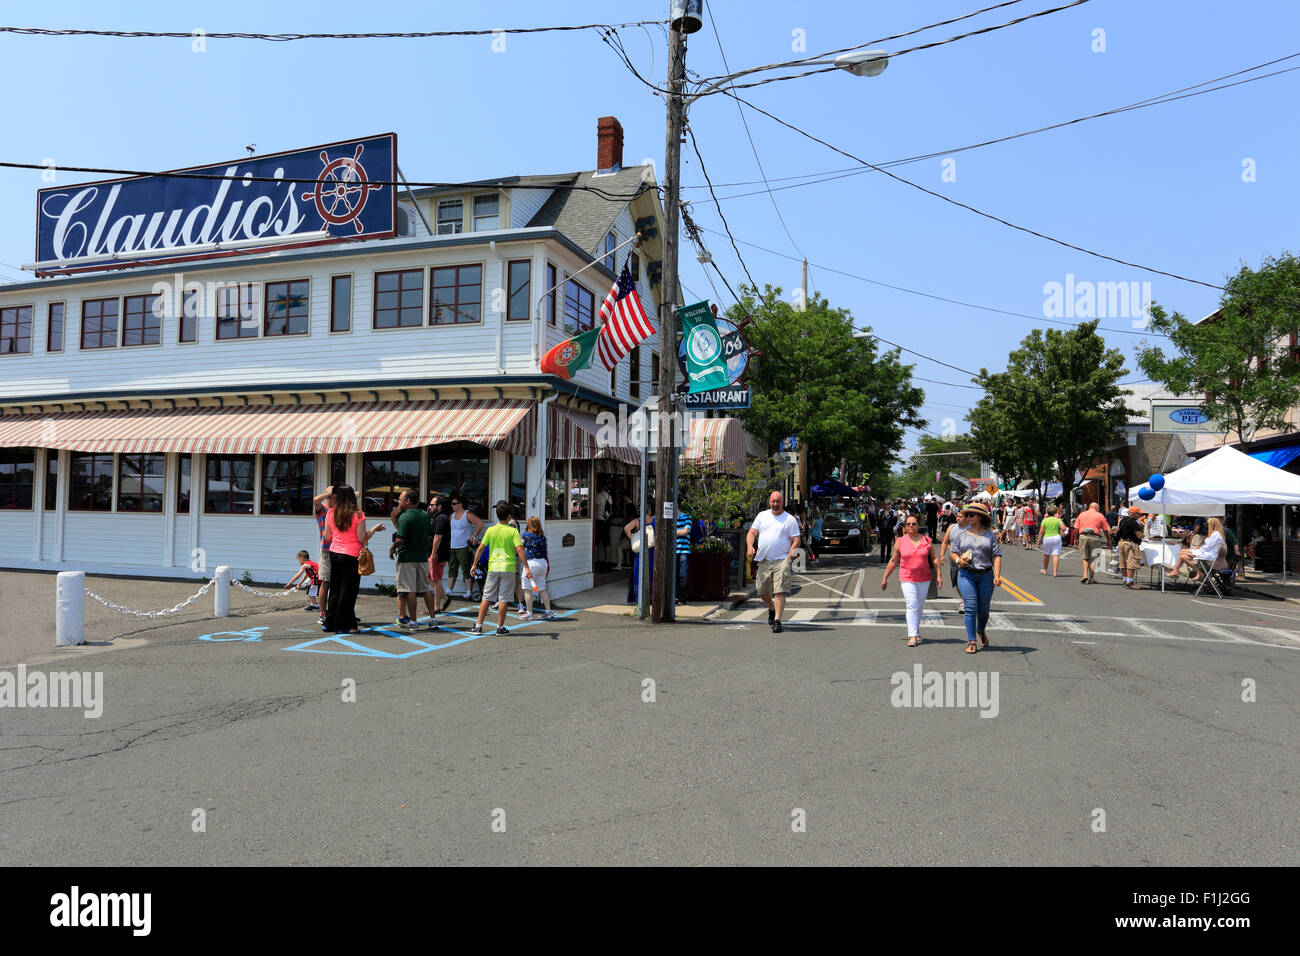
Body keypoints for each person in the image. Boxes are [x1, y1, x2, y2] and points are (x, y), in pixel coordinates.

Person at [322, 485, 384, 634]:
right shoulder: (357, 514)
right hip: (351, 554)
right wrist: (374, 529)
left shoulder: (331, 512)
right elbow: (361, 537)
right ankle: (344, 625)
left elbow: (327, 537)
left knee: (335, 589)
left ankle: (330, 623)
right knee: (348, 591)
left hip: (334, 552)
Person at [469, 502, 533, 636]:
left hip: (493, 567)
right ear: (509, 516)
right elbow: (520, 549)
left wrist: (474, 564)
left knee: (486, 597)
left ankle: (478, 626)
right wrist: (526, 567)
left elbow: (480, 548)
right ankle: (500, 627)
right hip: (508, 567)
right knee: (504, 598)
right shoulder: (513, 531)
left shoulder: (491, 530)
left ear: (497, 515)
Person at [881, 513, 942, 647]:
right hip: (907, 578)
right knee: (912, 605)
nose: (911, 526)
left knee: (919, 607)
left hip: (924, 578)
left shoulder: (926, 540)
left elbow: (934, 559)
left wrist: (938, 575)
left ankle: (916, 630)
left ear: (918, 526)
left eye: (913, 524)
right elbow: (893, 561)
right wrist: (885, 577)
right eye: (908, 524)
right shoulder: (901, 542)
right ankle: (912, 635)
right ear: (905, 526)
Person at [949, 502, 1002, 654]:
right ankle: (972, 641)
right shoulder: (962, 535)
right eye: (967, 515)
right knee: (970, 608)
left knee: (984, 610)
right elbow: (953, 552)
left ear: (980, 517)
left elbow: (997, 556)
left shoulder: (990, 536)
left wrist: (997, 576)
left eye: (971, 515)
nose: (968, 517)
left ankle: (981, 630)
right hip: (966, 574)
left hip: (986, 575)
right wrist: (959, 560)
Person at [746, 491, 802, 634]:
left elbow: (796, 540)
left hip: (782, 560)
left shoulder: (789, 519)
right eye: (773, 501)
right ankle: (771, 608)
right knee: (762, 592)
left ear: (782, 502)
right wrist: (750, 546)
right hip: (764, 560)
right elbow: (751, 533)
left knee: (779, 590)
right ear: (769, 502)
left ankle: (777, 620)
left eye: (778, 501)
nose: (775, 504)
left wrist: (790, 556)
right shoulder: (762, 516)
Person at [389, 489, 437, 630]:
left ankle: (414, 622)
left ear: (408, 501)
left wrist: (393, 548)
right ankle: (433, 619)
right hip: (422, 557)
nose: (399, 503)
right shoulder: (424, 515)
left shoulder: (405, 516)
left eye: (400, 500)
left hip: (407, 557)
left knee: (409, 590)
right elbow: (429, 536)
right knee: (425, 589)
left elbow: (400, 539)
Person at [446, 496, 485, 601]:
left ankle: (469, 591)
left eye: (454, 503)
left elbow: (480, 524)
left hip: (464, 546)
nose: (452, 505)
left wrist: (473, 535)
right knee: (452, 567)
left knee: (466, 568)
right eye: (452, 503)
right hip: (452, 545)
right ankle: (450, 589)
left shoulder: (467, 514)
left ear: (460, 504)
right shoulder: (451, 516)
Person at [519, 515, 555, 621]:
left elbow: (519, 548)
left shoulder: (526, 535)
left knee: (527, 589)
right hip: (543, 563)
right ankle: (548, 611)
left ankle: (529, 613)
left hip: (531, 563)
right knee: (541, 588)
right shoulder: (542, 537)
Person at [311, 485, 337, 625]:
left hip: (339, 549)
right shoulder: (322, 510)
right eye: (333, 496)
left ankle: (336, 611)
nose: (336, 499)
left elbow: (355, 494)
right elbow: (316, 500)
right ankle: (322, 613)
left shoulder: (337, 509)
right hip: (326, 550)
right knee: (325, 582)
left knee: (338, 584)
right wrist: (327, 493)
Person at [939, 508, 969, 611]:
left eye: (961, 517)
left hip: (967, 559)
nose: (958, 518)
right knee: (956, 581)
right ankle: (964, 599)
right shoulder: (952, 527)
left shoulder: (971, 528)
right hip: (954, 558)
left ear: (967, 518)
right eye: (957, 516)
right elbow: (945, 542)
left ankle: (965, 602)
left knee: (966, 581)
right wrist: (942, 555)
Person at [1074, 502, 1111, 585]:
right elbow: (1105, 530)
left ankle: (1084, 575)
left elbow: (1076, 528)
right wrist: (1109, 540)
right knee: (1093, 559)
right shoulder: (1100, 515)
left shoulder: (1082, 514)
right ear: (1096, 508)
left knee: (1085, 557)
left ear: (1089, 507)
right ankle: (1092, 578)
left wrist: (1075, 539)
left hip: (1083, 536)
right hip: (1095, 538)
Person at [427, 496, 452, 612]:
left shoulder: (442, 518)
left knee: (436, 580)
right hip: (433, 553)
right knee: (430, 578)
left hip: (438, 554)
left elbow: (438, 537)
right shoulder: (436, 518)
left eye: (432, 505)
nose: (430, 507)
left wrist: (433, 554)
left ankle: (436, 608)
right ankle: (445, 598)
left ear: (439, 507)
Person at [625, 508, 654, 605]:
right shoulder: (655, 520)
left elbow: (626, 528)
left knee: (639, 573)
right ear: (649, 511)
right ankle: (651, 597)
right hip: (653, 550)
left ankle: (639, 597)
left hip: (641, 550)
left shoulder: (637, 521)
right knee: (652, 573)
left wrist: (633, 539)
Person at [1115, 505, 1145, 589]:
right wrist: (1144, 532)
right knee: (1132, 562)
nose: (1140, 515)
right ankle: (1130, 582)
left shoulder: (1122, 520)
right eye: (1138, 513)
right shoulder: (1133, 522)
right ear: (1134, 513)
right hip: (1130, 544)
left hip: (1121, 542)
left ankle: (1125, 580)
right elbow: (1139, 536)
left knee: (1123, 563)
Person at [1037, 504, 1066, 576]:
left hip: (1047, 538)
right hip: (1056, 537)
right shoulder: (1058, 520)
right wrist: (1061, 531)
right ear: (1055, 513)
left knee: (1046, 555)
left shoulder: (1045, 520)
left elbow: (1041, 531)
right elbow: (1064, 528)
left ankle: (1045, 570)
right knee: (1056, 555)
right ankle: (1055, 572)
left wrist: (1039, 540)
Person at [675, 505, 695, 605]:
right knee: (674, 575)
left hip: (683, 551)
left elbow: (685, 531)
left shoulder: (687, 517)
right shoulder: (670, 519)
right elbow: (682, 531)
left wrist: (672, 531)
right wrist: (679, 531)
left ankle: (683, 597)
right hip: (673, 551)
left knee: (683, 575)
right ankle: (676, 597)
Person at [878, 500, 896, 565]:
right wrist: (877, 528)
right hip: (882, 530)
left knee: (889, 544)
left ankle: (888, 558)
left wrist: (894, 528)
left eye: (888, 504)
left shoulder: (893, 512)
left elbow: (896, 521)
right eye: (886, 504)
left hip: (890, 530)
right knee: (883, 543)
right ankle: (882, 558)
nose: (887, 505)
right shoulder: (880, 512)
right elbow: (878, 520)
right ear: (883, 505)